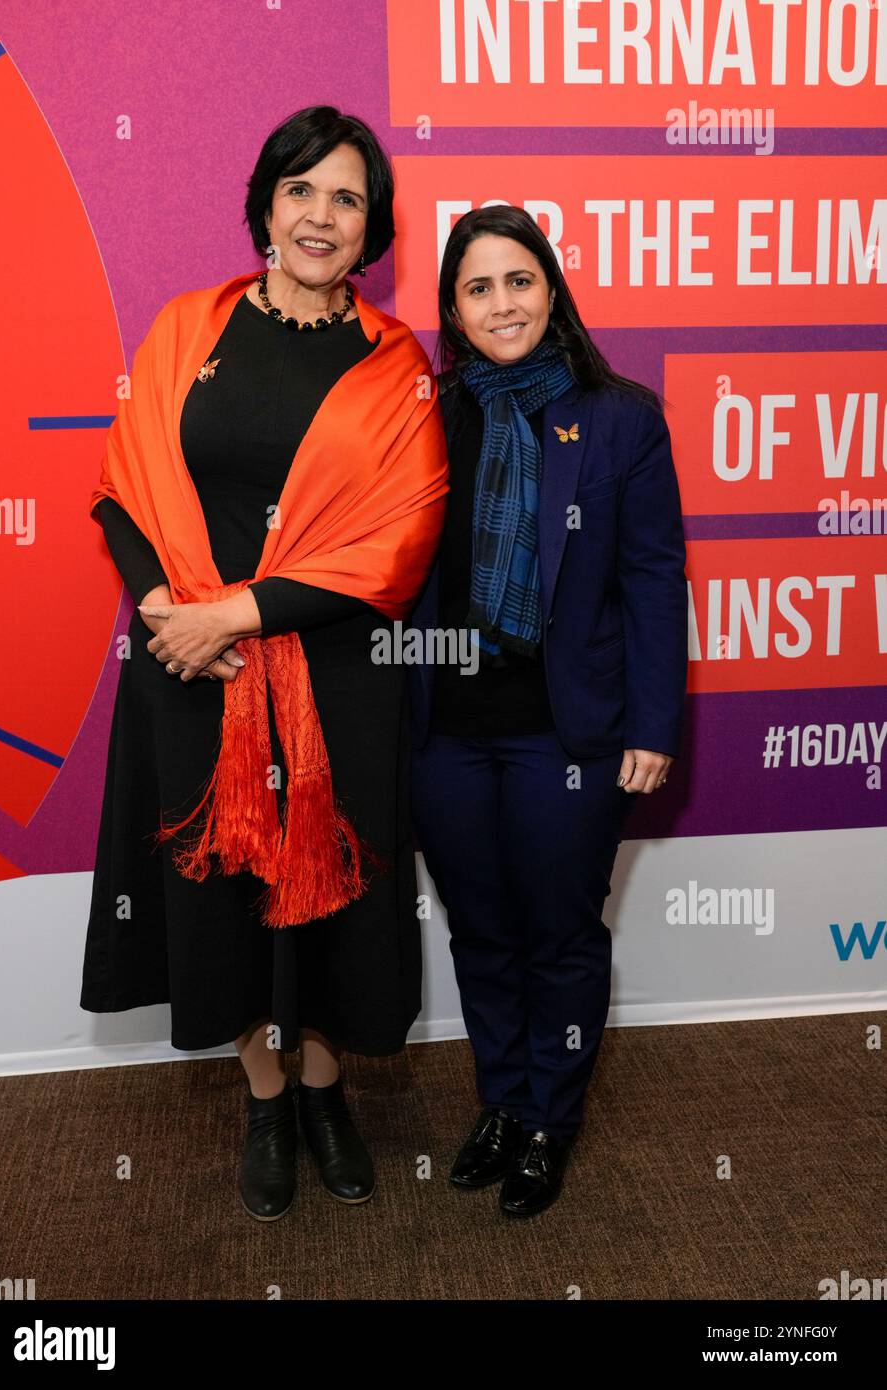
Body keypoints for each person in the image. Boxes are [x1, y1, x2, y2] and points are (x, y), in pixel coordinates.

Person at [81, 105, 448, 1222]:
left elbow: (400, 535)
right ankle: (261, 1092)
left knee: (334, 885)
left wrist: (229, 612)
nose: (320, 215)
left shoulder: (394, 364)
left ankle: (327, 1090)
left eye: (345, 197)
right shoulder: (185, 329)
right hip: (191, 670)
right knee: (220, 891)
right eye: (301, 190)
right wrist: (166, 614)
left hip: (334, 669)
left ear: (371, 225)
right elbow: (122, 485)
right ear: (266, 207)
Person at [406, 205, 688, 1218]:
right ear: (453, 308)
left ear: (550, 288)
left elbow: (654, 578)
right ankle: (501, 1099)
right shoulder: (426, 414)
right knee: (480, 930)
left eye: (517, 280)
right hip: (444, 734)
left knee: (559, 934)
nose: (501, 303)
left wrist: (654, 724)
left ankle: (548, 1123)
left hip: (568, 733)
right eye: (477, 288)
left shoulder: (617, 414)